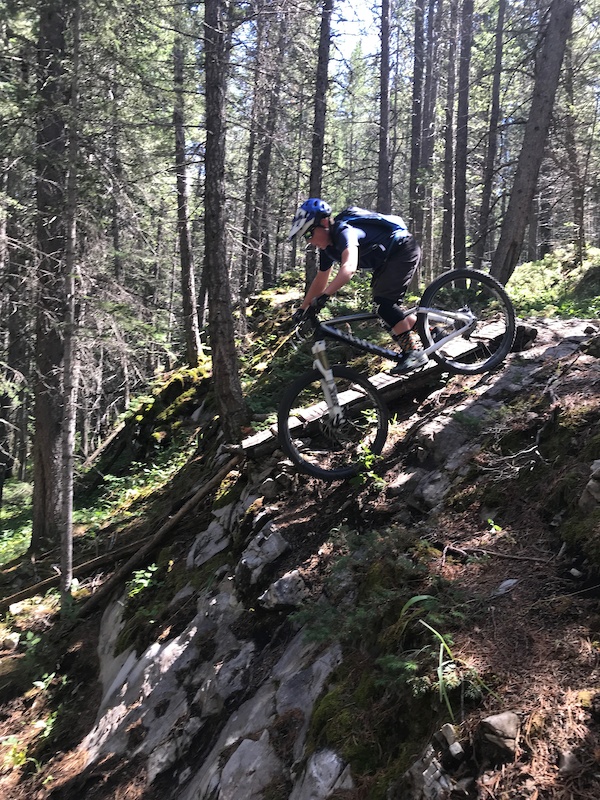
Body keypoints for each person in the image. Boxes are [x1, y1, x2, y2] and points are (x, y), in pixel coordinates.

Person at [287, 197, 428, 374]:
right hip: (387, 259)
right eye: (304, 237)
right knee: (384, 310)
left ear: (324, 223)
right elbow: (321, 278)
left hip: (403, 248)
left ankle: (413, 353)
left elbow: (349, 268)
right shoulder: (327, 249)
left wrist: (325, 295)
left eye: (309, 234)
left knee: (384, 304)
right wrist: (303, 308)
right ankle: (432, 333)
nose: (308, 241)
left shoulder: (344, 232)